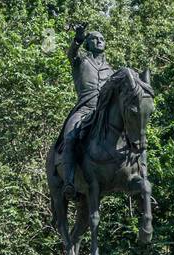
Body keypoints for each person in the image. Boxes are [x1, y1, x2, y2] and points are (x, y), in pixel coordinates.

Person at [61, 25, 115, 194]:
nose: (99, 41)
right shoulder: (81, 62)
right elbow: (71, 54)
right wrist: (77, 39)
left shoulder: (111, 70)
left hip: (104, 113)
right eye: (94, 38)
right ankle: (69, 182)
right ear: (87, 44)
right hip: (84, 109)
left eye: (102, 39)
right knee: (70, 138)